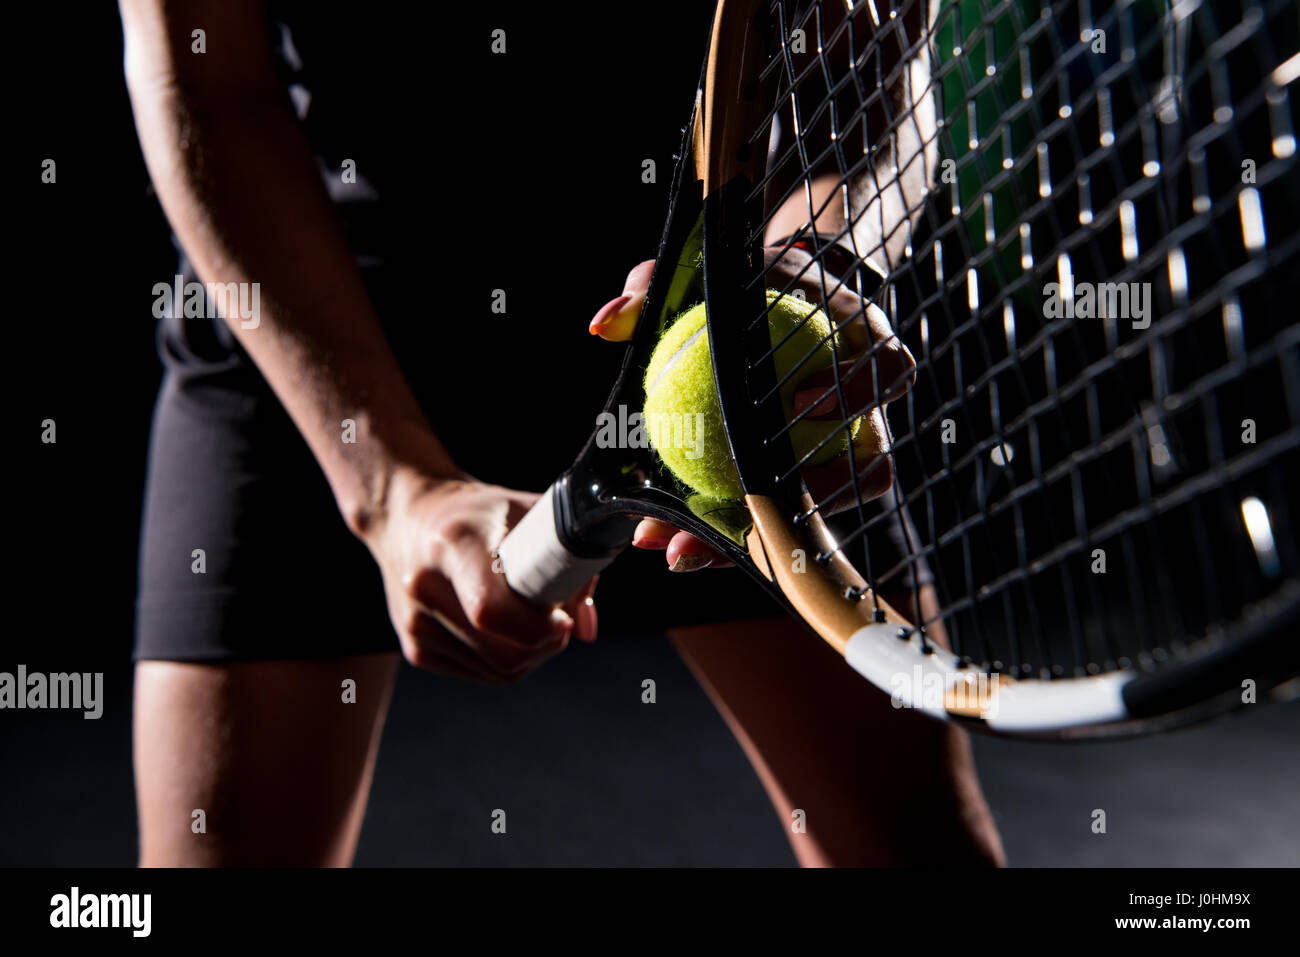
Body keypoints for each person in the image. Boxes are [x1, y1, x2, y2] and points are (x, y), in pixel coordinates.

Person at [121, 0, 1003, 866]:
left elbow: (878, 65)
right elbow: (200, 83)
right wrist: (392, 488)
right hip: (311, 307)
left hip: (699, 322)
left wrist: (813, 266)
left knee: (918, 847)